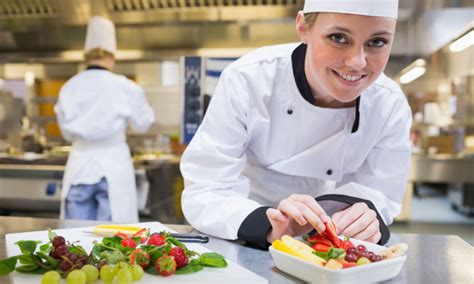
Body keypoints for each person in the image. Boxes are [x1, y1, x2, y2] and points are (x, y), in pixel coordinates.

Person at [180, 0, 412, 249]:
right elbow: (205, 189)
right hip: (245, 234)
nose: (357, 62)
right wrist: (268, 224)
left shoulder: (389, 104)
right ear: (303, 27)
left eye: (377, 42)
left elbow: (382, 193)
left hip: (336, 244)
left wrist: (365, 218)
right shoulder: (249, 79)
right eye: (338, 37)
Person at [55, 16, 155, 222]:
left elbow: (65, 132)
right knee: (112, 237)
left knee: (75, 236)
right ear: (112, 56)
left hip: (79, 164)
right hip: (113, 163)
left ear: (86, 56)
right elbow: (143, 124)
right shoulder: (126, 87)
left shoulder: (69, 87)